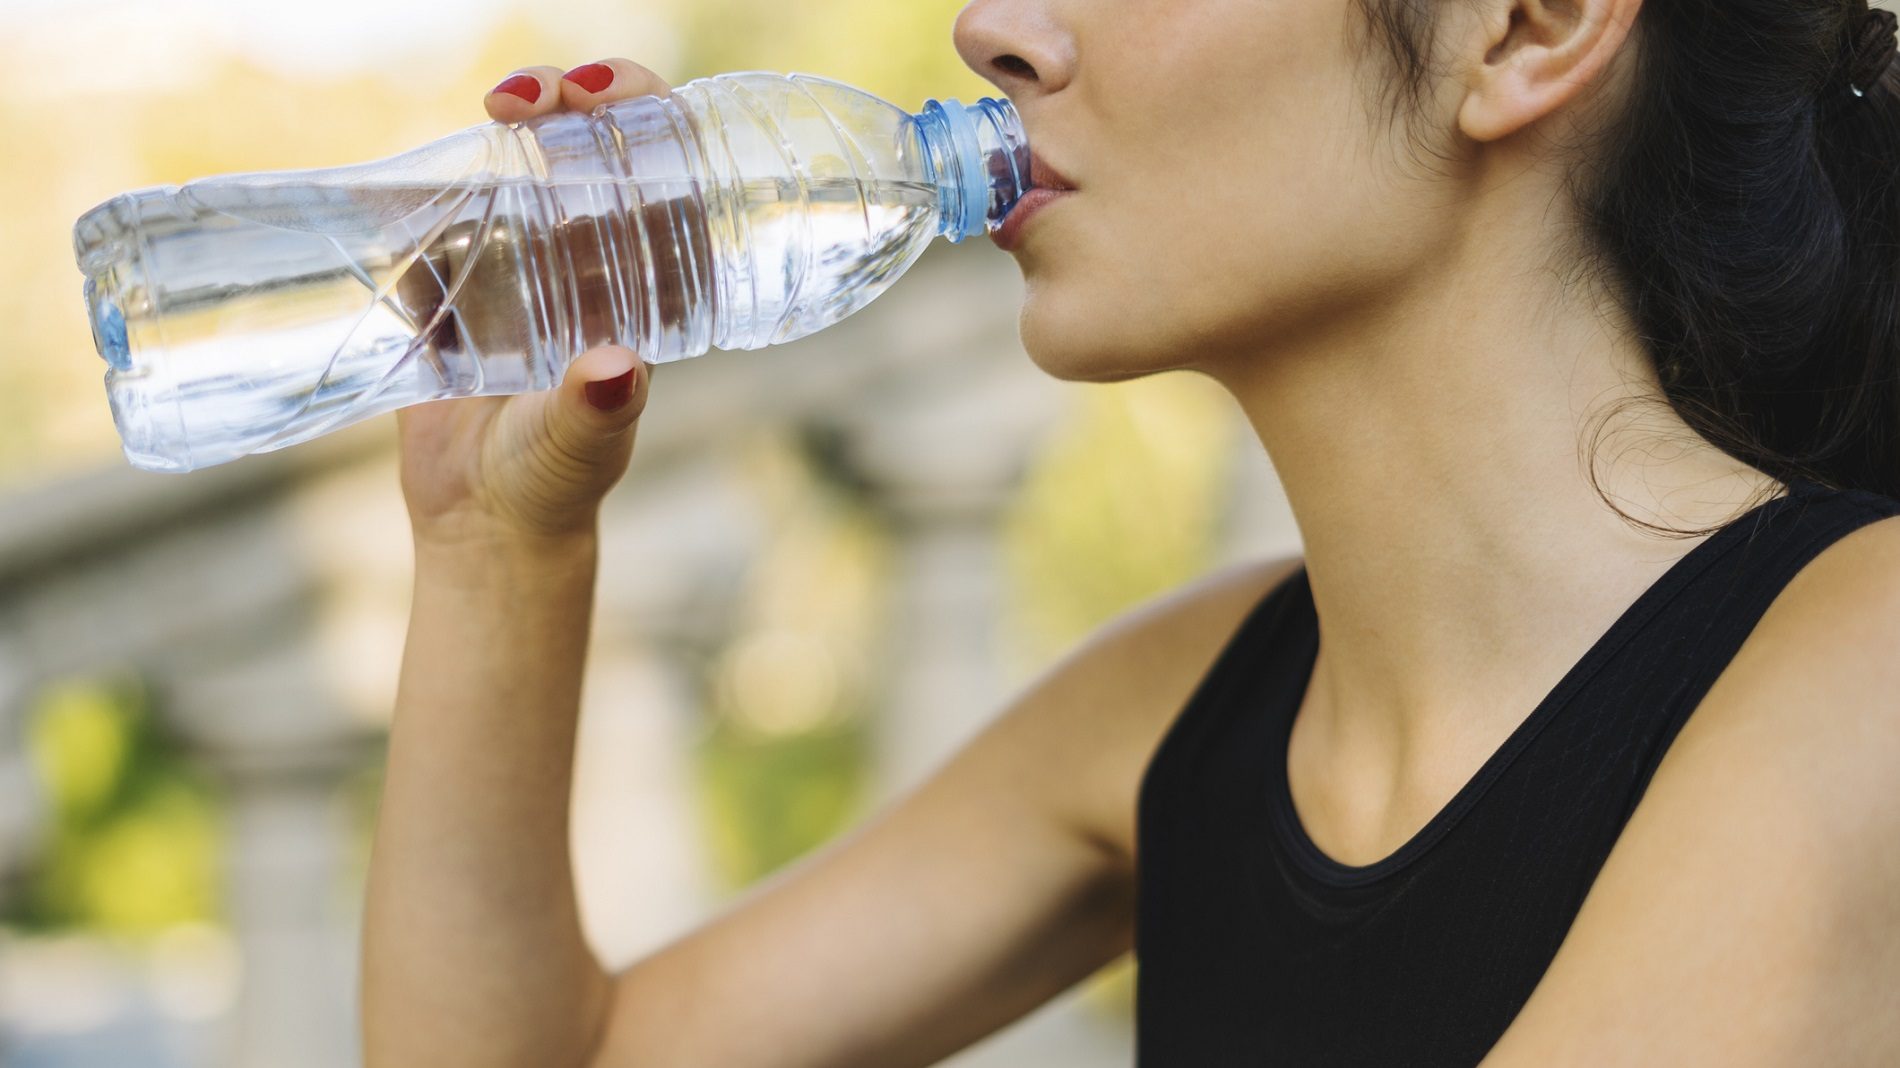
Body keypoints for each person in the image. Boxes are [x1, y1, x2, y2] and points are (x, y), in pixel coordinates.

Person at [361, 0, 1900, 1063]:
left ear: (1527, 26)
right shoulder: (1183, 708)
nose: (992, 28)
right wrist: (499, 543)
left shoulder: (1866, 673)